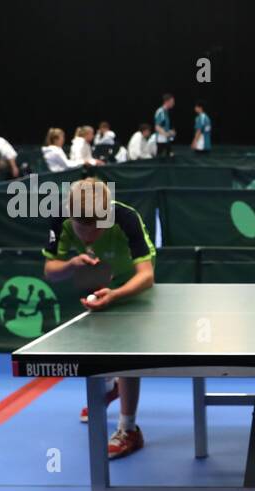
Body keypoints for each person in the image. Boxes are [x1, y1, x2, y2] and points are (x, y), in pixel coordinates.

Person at [43, 178, 157, 458]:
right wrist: (70, 263)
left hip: (130, 290)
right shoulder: (60, 218)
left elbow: (147, 275)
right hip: (96, 287)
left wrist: (116, 295)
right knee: (97, 347)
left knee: (126, 356)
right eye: (82, 233)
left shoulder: (127, 218)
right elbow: (49, 270)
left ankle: (128, 429)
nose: (88, 240)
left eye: (94, 232)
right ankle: (109, 389)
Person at [154, 93, 176, 159]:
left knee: (170, 157)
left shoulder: (166, 112)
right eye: (172, 102)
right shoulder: (160, 112)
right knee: (161, 160)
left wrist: (171, 132)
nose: (173, 103)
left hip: (166, 140)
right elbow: (157, 127)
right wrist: (167, 134)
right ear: (167, 102)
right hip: (161, 141)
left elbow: (164, 126)